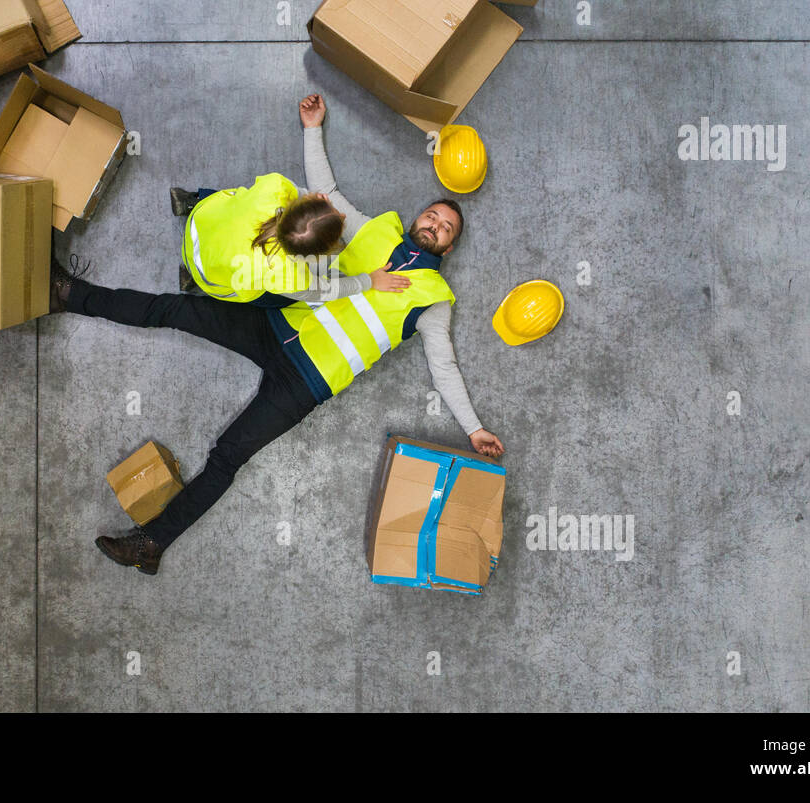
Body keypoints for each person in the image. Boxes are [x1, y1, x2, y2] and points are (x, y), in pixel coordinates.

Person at [49, 92, 504, 574]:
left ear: (449, 248)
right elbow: (325, 191)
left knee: (226, 456)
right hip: (277, 322)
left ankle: (150, 545)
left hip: (304, 383)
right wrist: (313, 127)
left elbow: (444, 366)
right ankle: (70, 295)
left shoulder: (434, 297)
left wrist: (473, 428)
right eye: (433, 216)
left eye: (446, 228)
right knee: (172, 310)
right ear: (418, 218)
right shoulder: (377, 230)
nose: (435, 224)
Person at [170, 174, 412, 305]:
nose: (343, 212)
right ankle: (195, 281)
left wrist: (307, 197)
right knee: (280, 302)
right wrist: (368, 280)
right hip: (211, 277)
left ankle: (188, 200)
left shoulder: (274, 189)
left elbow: (295, 193)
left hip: (201, 219)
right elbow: (325, 290)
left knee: (236, 201)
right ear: (316, 254)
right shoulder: (290, 277)